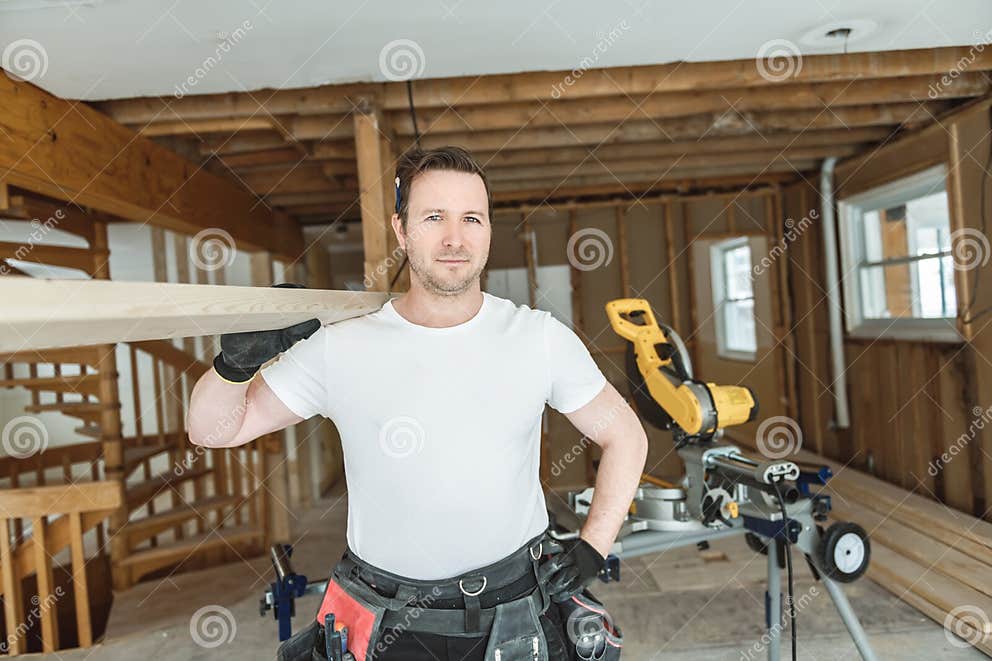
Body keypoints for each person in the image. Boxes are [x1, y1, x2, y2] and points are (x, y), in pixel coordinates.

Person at [187, 145, 648, 660]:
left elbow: (625, 434)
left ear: (489, 231)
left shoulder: (537, 338)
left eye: (471, 218)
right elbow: (213, 430)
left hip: (513, 616)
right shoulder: (343, 345)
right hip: (384, 620)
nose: (455, 237)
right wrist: (232, 368)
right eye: (434, 217)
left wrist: (592, 547)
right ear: (402, 230)